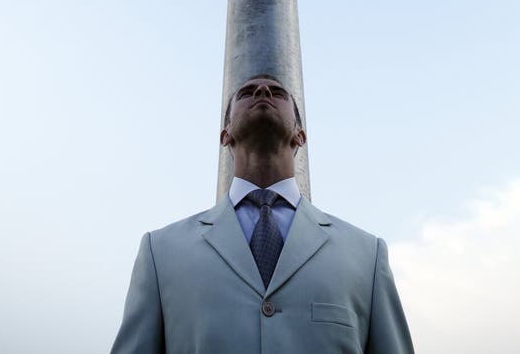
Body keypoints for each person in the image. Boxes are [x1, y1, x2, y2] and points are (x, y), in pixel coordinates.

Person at [111, 74, 414, 353]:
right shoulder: (161, 252)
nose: (262, 91)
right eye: (246, 92)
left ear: (301, 135)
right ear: (224, 134)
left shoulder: (366, 254)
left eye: (278, 92)